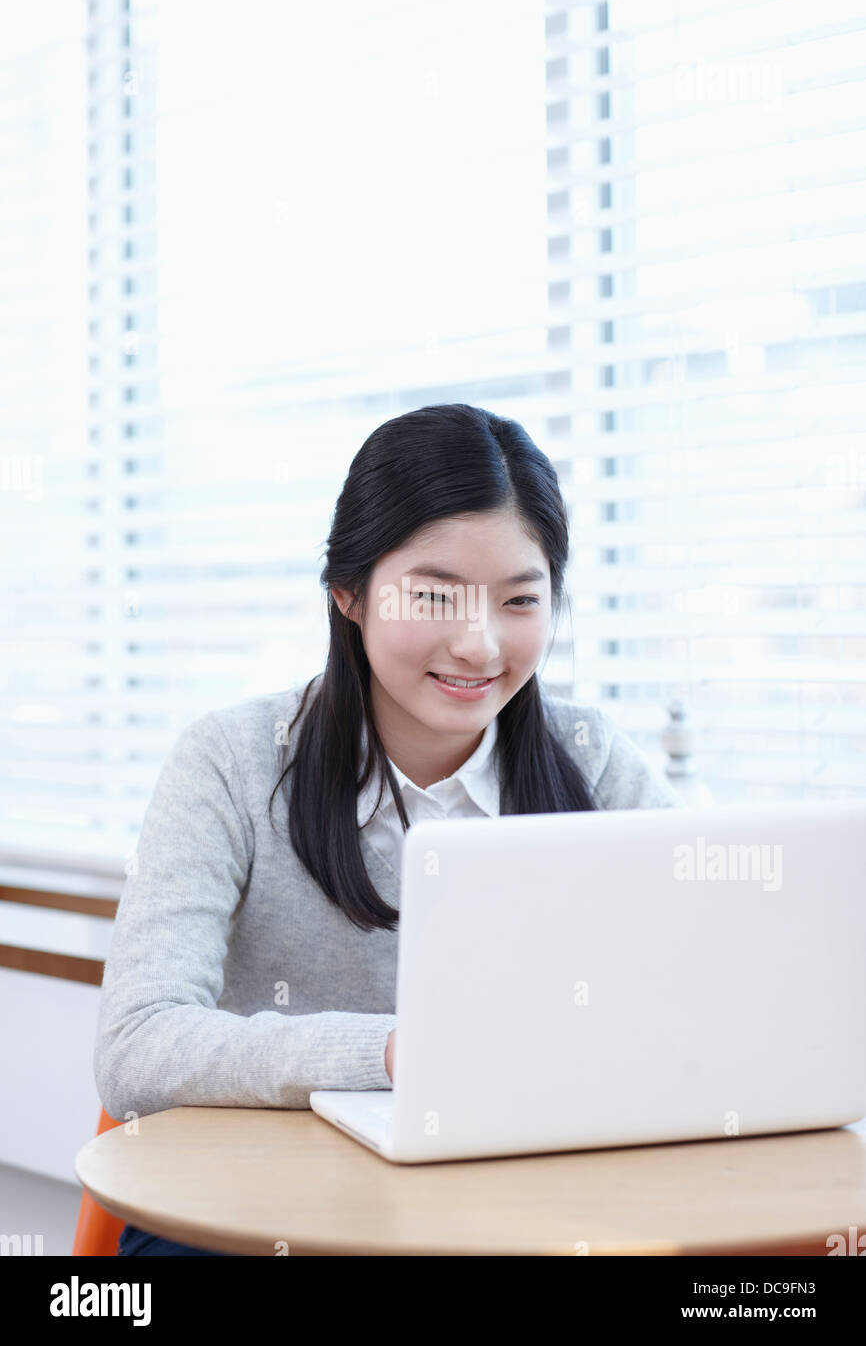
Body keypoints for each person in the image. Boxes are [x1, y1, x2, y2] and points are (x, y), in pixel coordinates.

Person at [96, 403, 679, 1254]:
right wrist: (398, 1053)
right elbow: (139, 1046)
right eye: (435, 594)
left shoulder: (593, 761)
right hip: (249, 1215)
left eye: (520, 599)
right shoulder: (230, 761)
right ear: (349, 592)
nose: (479, 645)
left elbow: (700, 989)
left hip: (507, 1211)